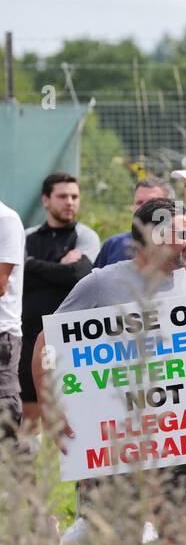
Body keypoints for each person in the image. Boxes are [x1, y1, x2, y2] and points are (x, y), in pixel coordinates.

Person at [30, 198, 186, 545]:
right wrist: (51, 408)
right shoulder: (101, 284)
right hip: (116, 443)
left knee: (185, 542)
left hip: (183, 443)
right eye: (184, 235)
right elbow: (46, 342)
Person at [20, 172, 96, 438]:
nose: (70, 202)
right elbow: (19, 277)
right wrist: (56, 269)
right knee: (27, 421)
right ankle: (26, 480)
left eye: (74, 196)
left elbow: (79, 275)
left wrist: (31, 266)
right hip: (29, 338)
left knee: (78, 417)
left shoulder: (86, 236)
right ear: (45, 200)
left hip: (72, 341)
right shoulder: (27, 237)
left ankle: (84, 479)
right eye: (63, 196)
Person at [95, 177, 175, 268]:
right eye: (139, 202)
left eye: (151, 202)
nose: (143, 208)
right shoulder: (113, 245)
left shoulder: (180, 249)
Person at [0, 196, 23, 437]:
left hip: (2, 335)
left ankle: (17, 475)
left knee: (5, 420)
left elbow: (0, 284)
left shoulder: (5, 219)